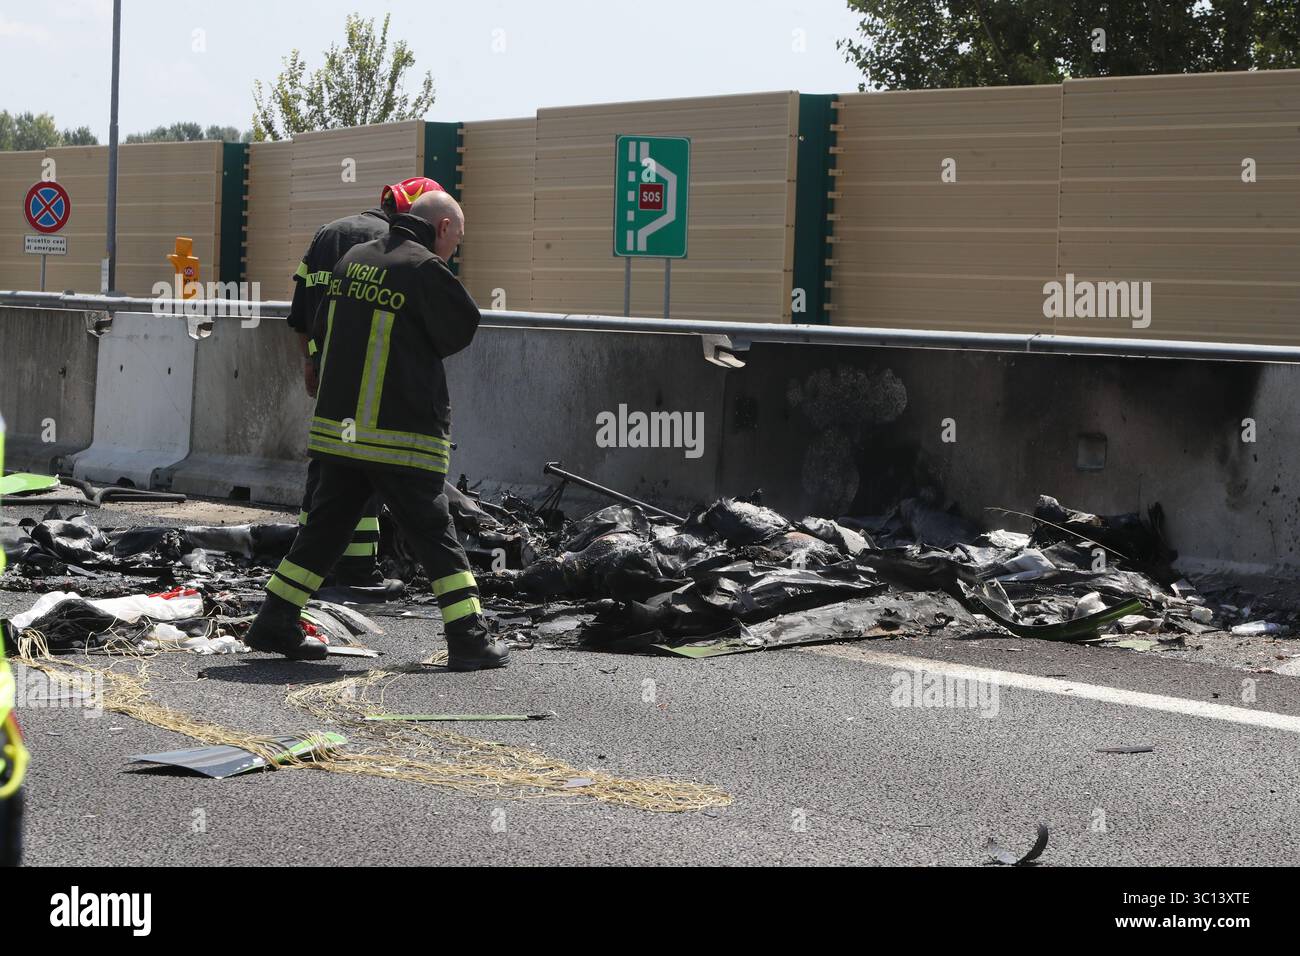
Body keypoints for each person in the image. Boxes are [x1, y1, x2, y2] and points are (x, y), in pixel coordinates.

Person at [247, 191, 509, 671]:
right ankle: (470, 637)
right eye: (459, 239)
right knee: (434, 532)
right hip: (398, 433)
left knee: (325, 531)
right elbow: (461, 328)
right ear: (445, 227)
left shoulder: (353, 260)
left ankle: (275, 618)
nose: (455, 250)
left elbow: (320, 322)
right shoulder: (424, 268)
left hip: (339, 433)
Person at [288, 177, 445, 593]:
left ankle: (308, 567)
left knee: (329, 473)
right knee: (365, 476)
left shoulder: (329, 233)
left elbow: (301, 306)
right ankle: (355, 572)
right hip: (372, 386)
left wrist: (308, 360)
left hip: (329, 373)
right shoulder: (397, 248)